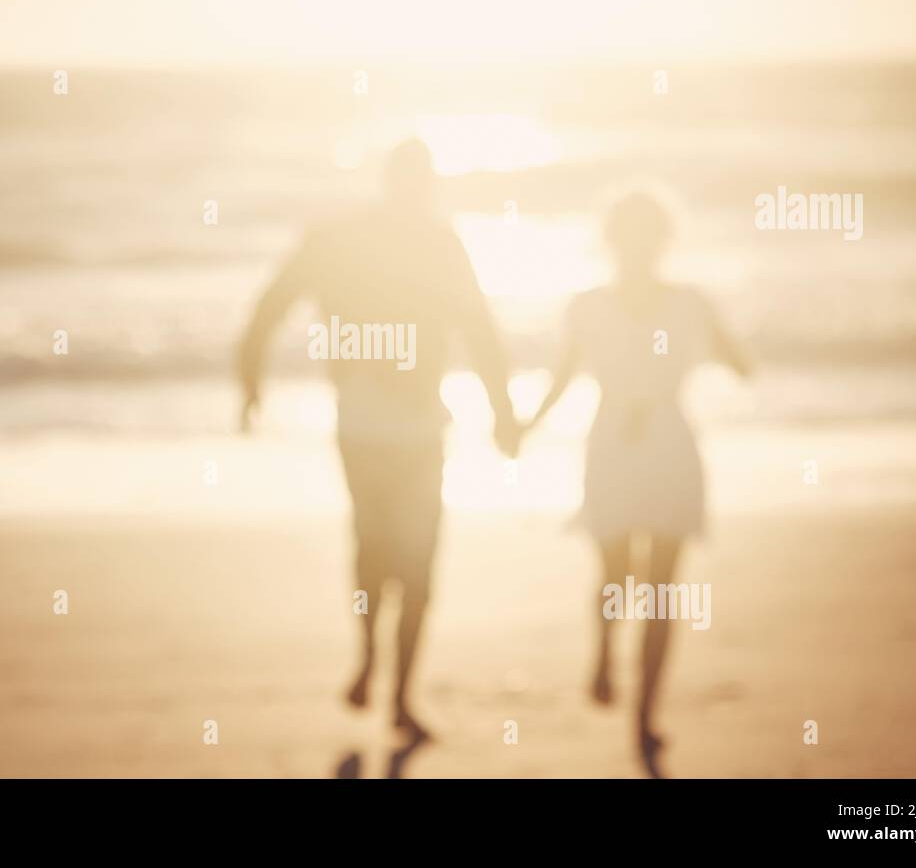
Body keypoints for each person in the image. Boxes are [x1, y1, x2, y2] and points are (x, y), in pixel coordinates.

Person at [237, 139, 520, 740]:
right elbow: (480, 327)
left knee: (384, 551)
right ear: (413, 183)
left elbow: (271, 304)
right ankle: (389, 683)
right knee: (404, 559)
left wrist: (251, 382)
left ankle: (386, 678)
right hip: (388, 424)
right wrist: (503, 413)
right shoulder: (413, 242)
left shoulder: (355, 240)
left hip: (386, 423)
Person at [524, 189, 750, 776]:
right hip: (616, 448)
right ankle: (603, 654)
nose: (639, 248)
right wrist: (526, 423)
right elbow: (564, 375)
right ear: (616, 241)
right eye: (632, 236)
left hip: (667, 446)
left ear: (660, 241)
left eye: (647, 236)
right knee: (617, 573)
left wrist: (726, 356)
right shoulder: (592, 305)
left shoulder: (688, 302)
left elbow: (737, 359)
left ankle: (644, 714)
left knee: (662, 591)